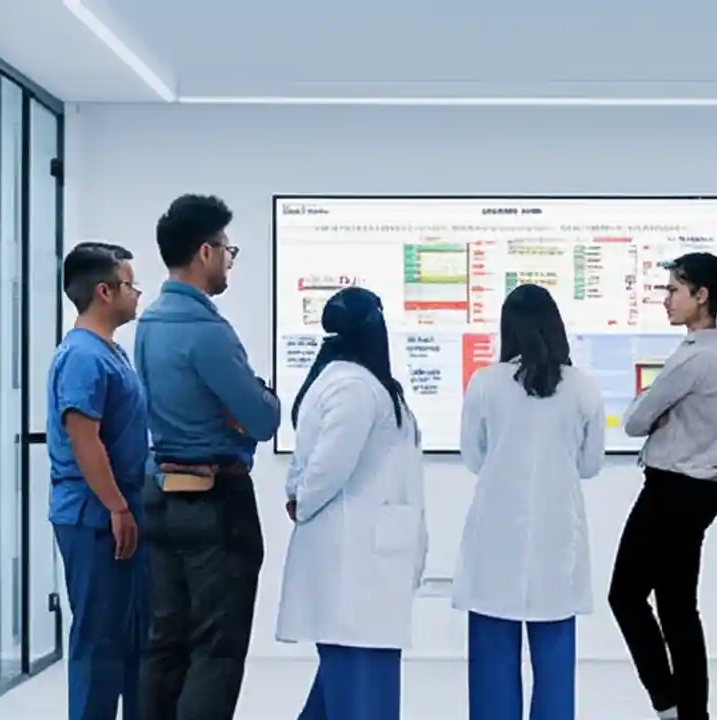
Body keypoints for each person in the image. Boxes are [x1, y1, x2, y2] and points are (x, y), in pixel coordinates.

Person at [135, 194, 281, 719]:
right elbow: (262, 419)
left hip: (162, 496)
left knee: (165, 643)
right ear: (204, 252)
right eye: (227, 250)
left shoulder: (150, 322)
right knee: (216, 650)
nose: (228, 261)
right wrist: (262, 395)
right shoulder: (208, 331)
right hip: (215, 502)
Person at [608, 243, 717, 720]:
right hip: (694, 491)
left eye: (674, 290)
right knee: (677, 609)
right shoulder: (716, 352)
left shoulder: (695, 358)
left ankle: (671, 703)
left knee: (627, 595)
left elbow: (634, 421)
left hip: (672, 490)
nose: (665, 299)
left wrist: (654, 408)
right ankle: (689, 712)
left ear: (702, 294)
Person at [453, 284, 606, 720]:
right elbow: (591, 463)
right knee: (556, 660)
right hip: (558, 535)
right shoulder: (583, 388)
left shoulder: (485, 383)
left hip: (495, 535)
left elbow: (474, 456)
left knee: (491, 661)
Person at [275, 286, 428, 720]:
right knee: (360, 693)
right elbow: (328, 466)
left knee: (341, 691)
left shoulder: (358, 383)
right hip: (356, 566)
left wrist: (298, 497)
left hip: (366, 564)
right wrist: (302, 502)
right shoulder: (355, 387)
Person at [46, 242, 148, 720]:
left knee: (126, 639)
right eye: (130, 284)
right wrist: (117, 507)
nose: (137, 293)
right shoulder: (82, 357)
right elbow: (84, 439)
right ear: (104, 291)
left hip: (115, 511)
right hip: (94, 518)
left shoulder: (111, 351)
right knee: (99, 640)